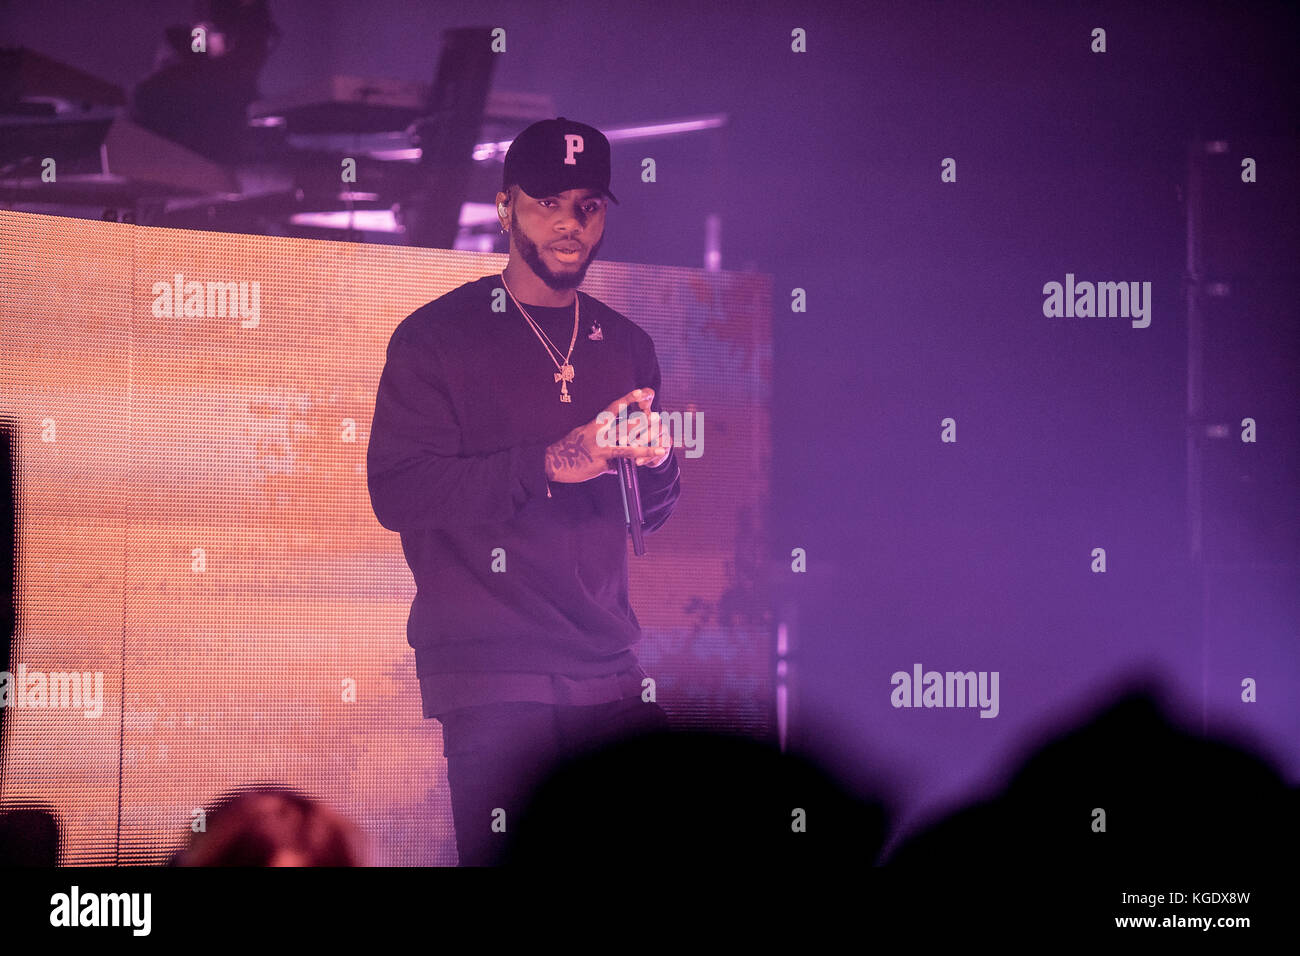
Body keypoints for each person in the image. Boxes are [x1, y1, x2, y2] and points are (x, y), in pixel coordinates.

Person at [366, 117, 682, 866]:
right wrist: (551, 463)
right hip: (490, 672)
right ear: (506, 208)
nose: (570, 224)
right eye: (548, 203)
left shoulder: (627, 344)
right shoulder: (438, 336)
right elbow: (398, 491)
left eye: (588, 205)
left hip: (607, 662)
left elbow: (648, 514)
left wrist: (658, 462)